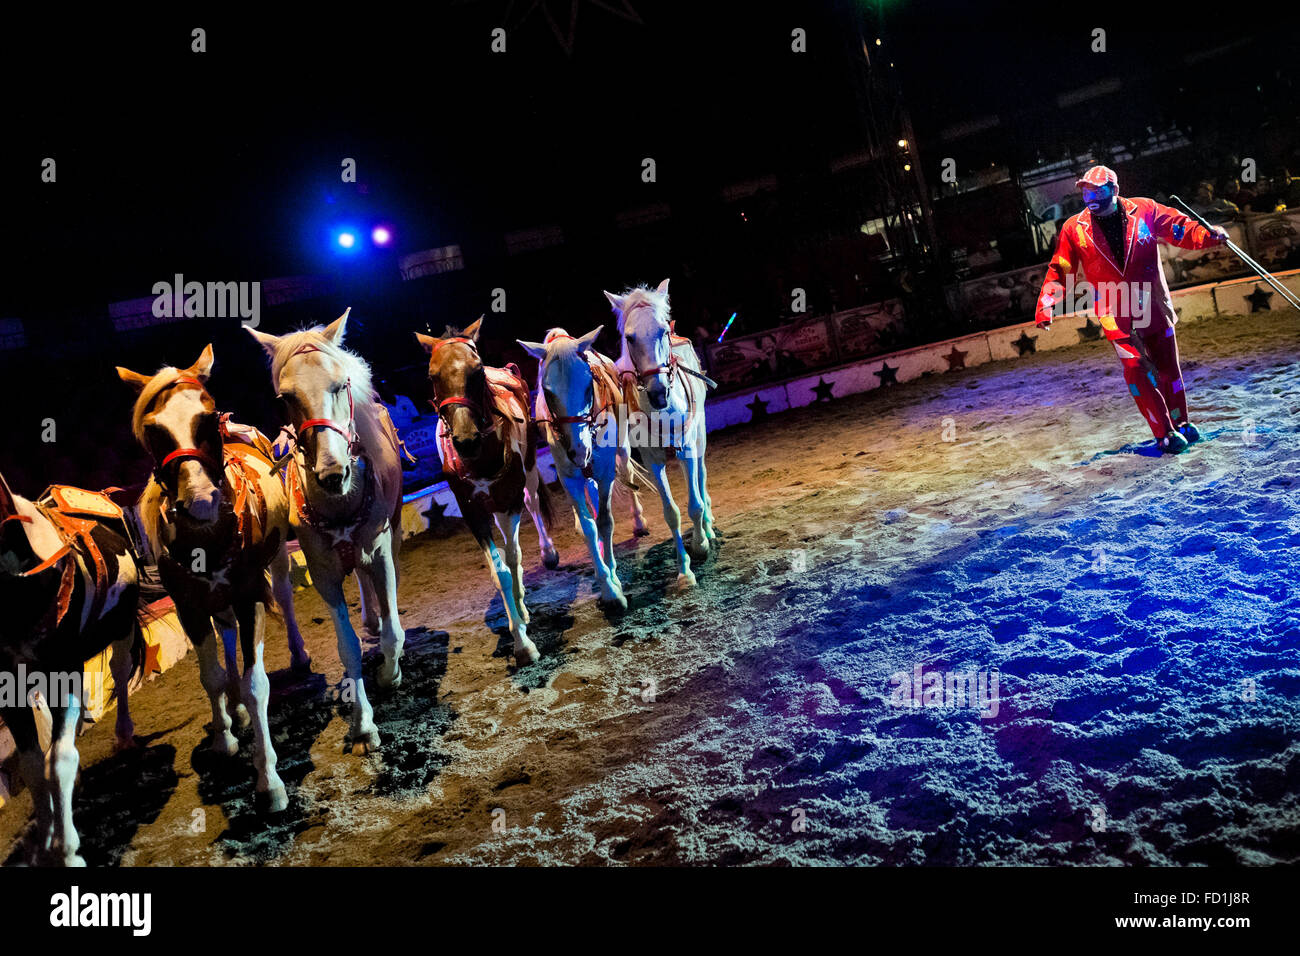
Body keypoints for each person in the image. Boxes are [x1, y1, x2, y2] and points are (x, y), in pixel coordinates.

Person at [1035, 165, 1229, 453]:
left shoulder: (1145, 209)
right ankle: (1164, 432)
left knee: (1168, 368)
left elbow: (1180, 226)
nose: (1090, 196)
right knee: (1136, 367)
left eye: (1097, 190)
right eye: (1086, 190)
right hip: (1114, 310)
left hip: (1151, 301)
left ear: (1114, 190)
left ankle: (1182, 423)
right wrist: (1047, 302)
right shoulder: (1074, 229)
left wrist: (1209, 235)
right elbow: (1061, 266)